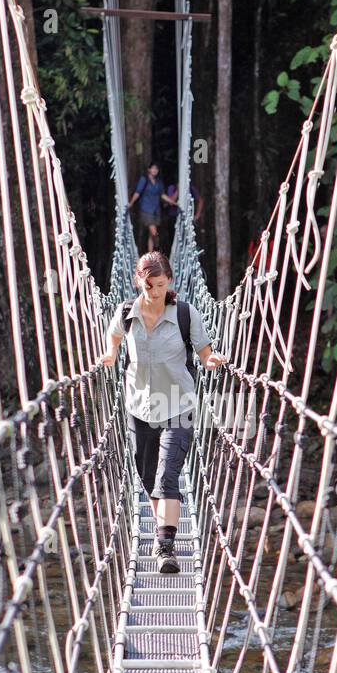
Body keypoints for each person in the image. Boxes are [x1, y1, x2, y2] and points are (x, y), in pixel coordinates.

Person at [100, 251, 225, 573]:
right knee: (149, 478)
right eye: (147, 286)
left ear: (169, 281)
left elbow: (203, 351)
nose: (153, 292)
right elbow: (114, 336)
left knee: (168, 476)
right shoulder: (127, 312)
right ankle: (163, 534)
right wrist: (111, 353)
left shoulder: (185, 313)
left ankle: (165, 547)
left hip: (178, 404)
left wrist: (210, 361)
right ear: (138, 282)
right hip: (139, 407)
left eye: (159, 285)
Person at [128, 162, 173, 253]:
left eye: (156, 169)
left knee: (151, 235)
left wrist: (173, 202)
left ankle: (150, 254)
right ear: (149, 170)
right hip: (146, 210)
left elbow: (162, 195)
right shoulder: (144, 180)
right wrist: (131, 203)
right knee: (154, 233)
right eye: (153, 168)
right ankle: (157, 253)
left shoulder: (158, 182)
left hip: (156, 211)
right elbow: (138, 192)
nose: (155, 170)